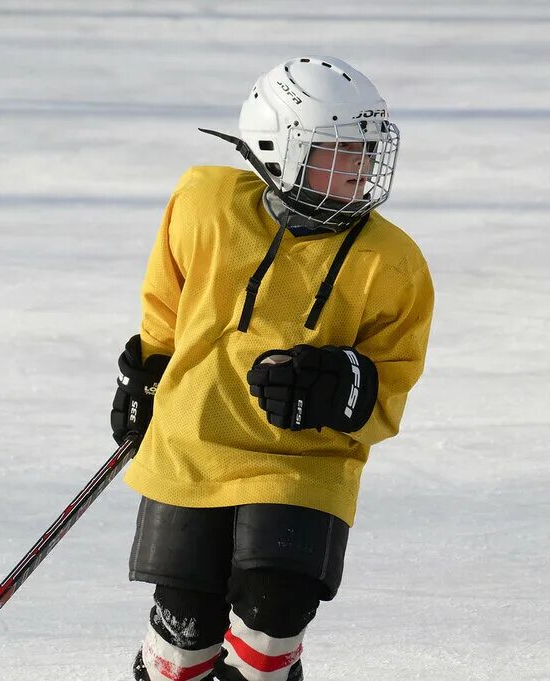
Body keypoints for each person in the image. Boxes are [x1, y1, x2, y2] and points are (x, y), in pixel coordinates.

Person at [110, 56, 434, 679]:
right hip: (192, 446)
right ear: (277, 149)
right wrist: (147, 372)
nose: (360, 169)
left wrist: (345, 384)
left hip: (303, 462)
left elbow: (393, 377)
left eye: (365, 152)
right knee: (185, 630)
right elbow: (165, 307)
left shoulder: (391, 263)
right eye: (338, 153)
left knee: (273, 613)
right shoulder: (205, 205)